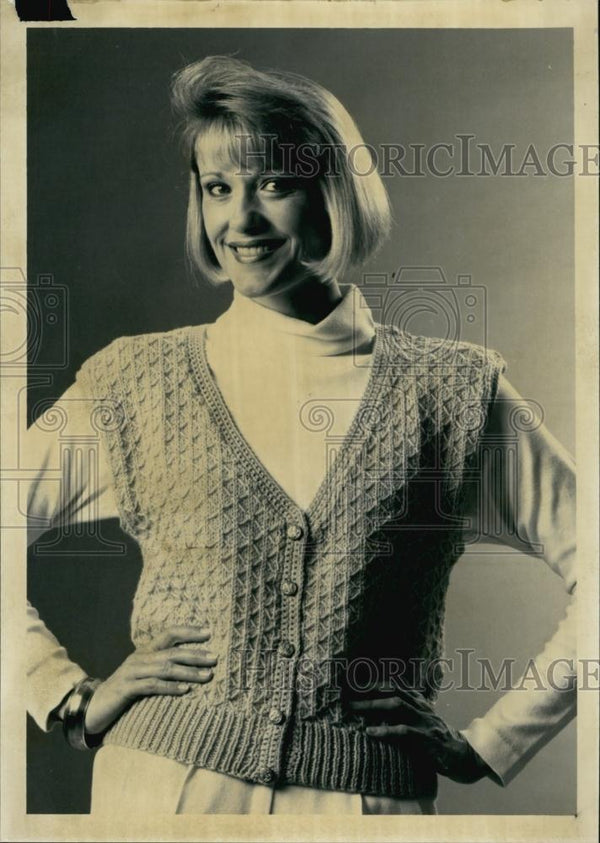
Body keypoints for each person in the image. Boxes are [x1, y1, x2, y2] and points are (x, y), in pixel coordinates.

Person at [26, 55, 576, 815]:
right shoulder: (135, 381)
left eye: (274, 185)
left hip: (365, 803)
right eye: (218, 188)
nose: (240, 221)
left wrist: (493, 742)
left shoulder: (450, 394)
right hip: (164, 791)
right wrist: (64, 694)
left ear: (334, 194)